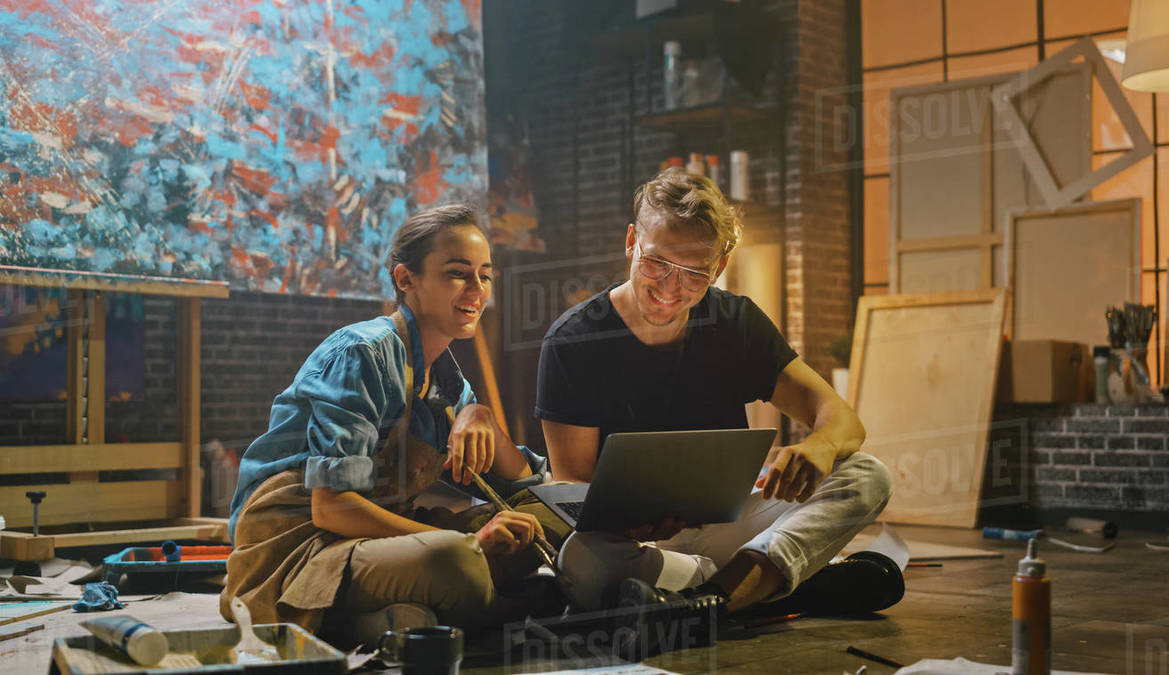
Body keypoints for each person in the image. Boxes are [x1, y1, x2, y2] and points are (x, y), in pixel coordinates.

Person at [535, 169, 900, 628]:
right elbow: (575, 492)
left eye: (695, 274)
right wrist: (637, 523)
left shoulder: (735, 322)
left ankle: (702, 602)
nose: (671, 289)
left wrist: (819, 447)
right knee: (581, 563)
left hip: (731, 525)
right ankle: (756, 587)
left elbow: (841, 418)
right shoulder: (574, 341)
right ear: (632, 241)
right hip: (644, 545)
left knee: (867, 474)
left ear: (720, 267)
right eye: (656, 263)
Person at [221, 204, 551, 643]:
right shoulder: (363, 353)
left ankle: (406, 622)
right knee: (457, 559)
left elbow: (523, 482)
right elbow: (332, 507)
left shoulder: (448, 381)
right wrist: (468, 543)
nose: (477, 290)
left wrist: (480, 417)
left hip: (373, 541)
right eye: (458, 273)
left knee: (540, 522)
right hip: (302, 549)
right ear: (405, 279)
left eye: (485, 275)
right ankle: (416, 621)